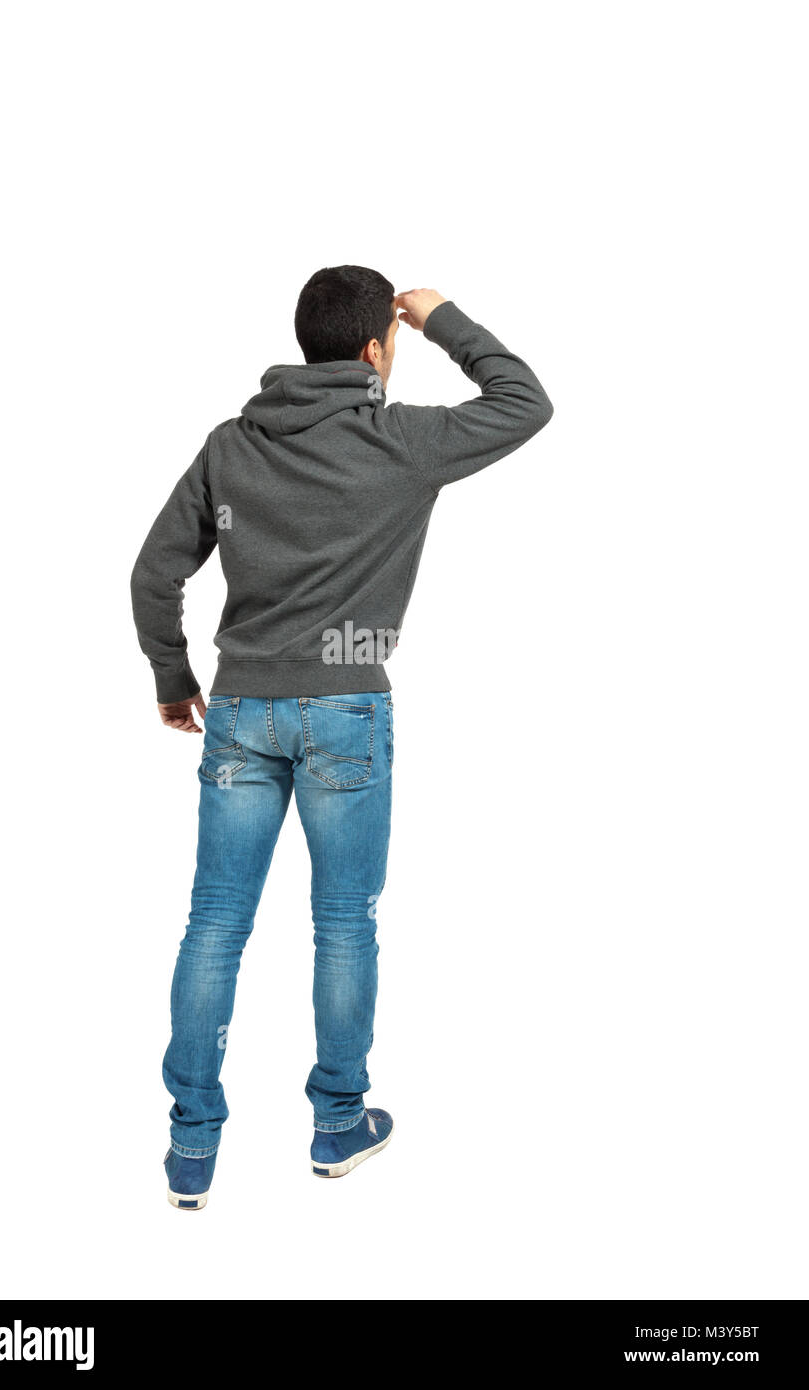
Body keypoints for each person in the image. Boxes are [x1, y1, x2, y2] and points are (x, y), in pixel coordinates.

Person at [131, 267, 554, 1208]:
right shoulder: (403, 441)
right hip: (348, 713)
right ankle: (336, 1126)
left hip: (239, 711)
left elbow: (152, 575)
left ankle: (191, 1148)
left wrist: (174, 678)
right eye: (393, 343)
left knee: (214, 921)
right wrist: (439, 315)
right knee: (343, 922)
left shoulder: (229, 446)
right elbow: (525, 399)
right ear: (373, 351)